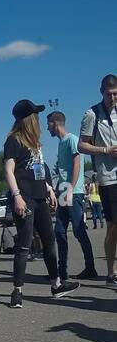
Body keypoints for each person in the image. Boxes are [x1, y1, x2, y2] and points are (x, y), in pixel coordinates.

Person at [3, 100, 78, 308]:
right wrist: (16, 195)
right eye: (35, 115)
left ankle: (56, 285)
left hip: (39, 197)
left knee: (49, 240)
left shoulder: (35, 143)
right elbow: (9, 170)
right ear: (28, 119)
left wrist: (49, 188)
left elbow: (39, 171)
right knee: (24, 244)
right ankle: (17, 291)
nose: (37, 120)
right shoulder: (13, 140)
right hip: (23, 197)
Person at [47, 110, 97, 282]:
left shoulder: (72, 140)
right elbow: (62, 171)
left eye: (48, 125)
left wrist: (69, 189)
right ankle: (62, 271)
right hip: (62, 192)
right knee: (59, 232)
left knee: (78, 231)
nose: (47, 129)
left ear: (55, 123)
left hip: (73, 193)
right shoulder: (61, 143)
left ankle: (90, 268)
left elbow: (77, 164)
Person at [78, 74, 117, 285]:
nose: (113, 98)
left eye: (116, 94)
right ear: (101, 91)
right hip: (108, 178)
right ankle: (111, 272)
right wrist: (105, 150)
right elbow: (81, 145)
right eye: (109, 94)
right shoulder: (92, 114)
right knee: (113, 226)